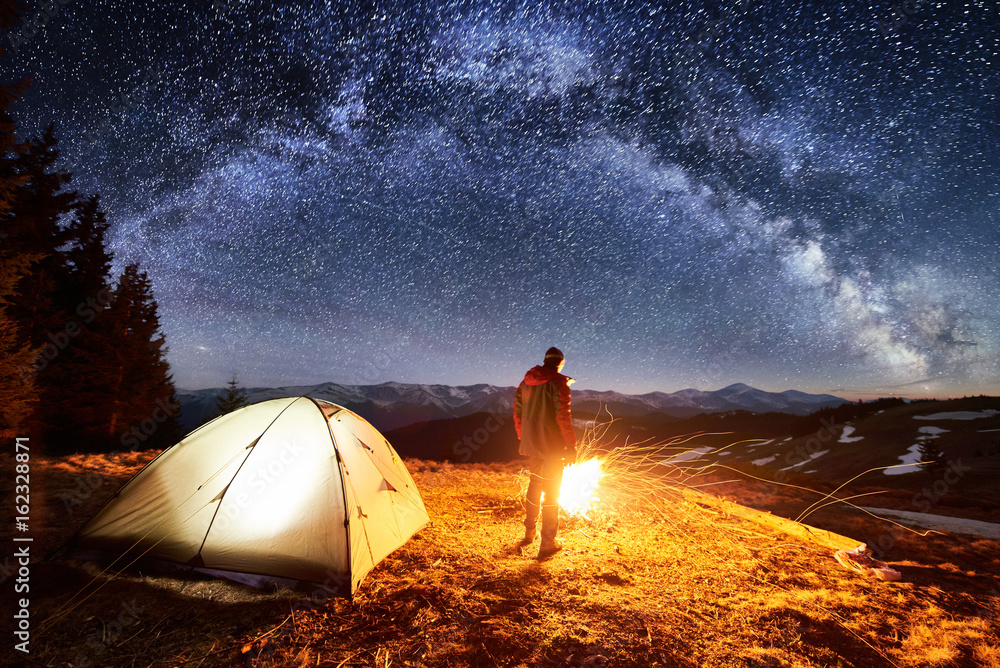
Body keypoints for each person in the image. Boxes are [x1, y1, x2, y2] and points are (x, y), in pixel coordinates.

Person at [513, 346, 576, 558]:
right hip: (552, 446)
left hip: (532, 444)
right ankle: (548, 542)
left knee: (535, 485)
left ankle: (529, 532)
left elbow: (518, 412)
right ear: (560, 364)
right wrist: (571, 446)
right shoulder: (558, 383)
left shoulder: (525, 383)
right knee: (552, 491)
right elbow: (563, 417)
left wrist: (524, 437)